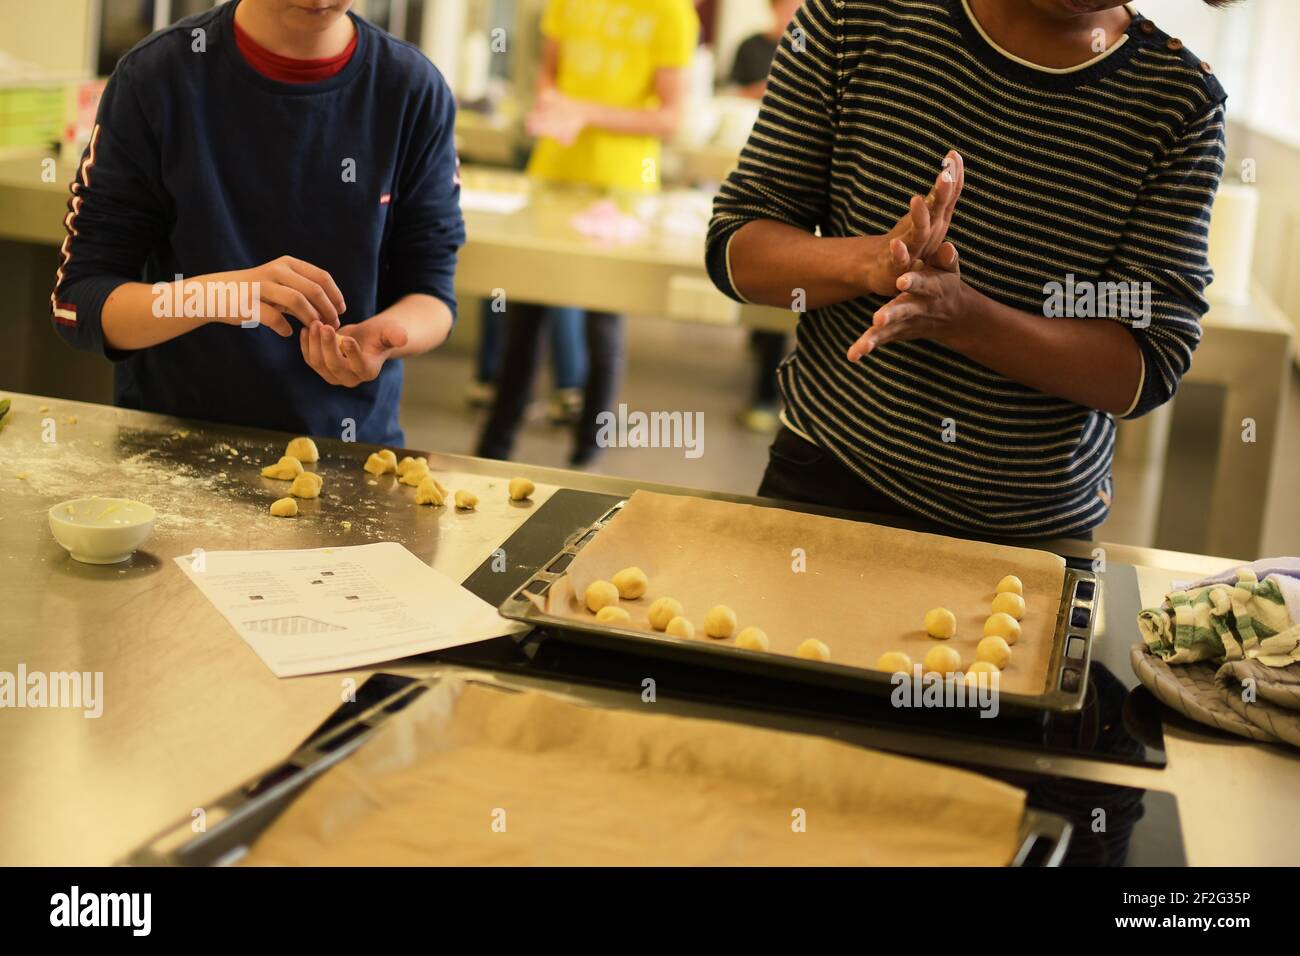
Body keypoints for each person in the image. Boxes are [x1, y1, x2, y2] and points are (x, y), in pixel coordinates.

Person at [708, 0, 1237, 539]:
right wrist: (869, 262)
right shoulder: (856, 16)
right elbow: (739, 247)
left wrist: (965, 319)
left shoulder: (1177, 100)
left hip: (1029, 535)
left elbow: (1146, 364)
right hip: (827, 478)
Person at [50, 0, 464, 446]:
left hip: (349, 453)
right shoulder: (156, 78)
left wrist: (383, 338)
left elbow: (432, 294)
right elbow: (78, 304)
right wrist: (216, 296)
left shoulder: (413, 89)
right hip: (174, 450)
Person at [476, 0, 699, 467]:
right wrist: (549, 102)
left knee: (603, 324)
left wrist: (584, 112)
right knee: (524, 314)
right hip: (552, 172)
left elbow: (671, 118)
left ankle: (587, 457)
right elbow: (548, 72)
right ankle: (493, 449)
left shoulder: (672, 13)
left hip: (621, 186)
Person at [727, 0, 805, 434]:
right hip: (756, 156)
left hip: (799, 173)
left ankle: (767, 389)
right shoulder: (751, 47)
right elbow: (729, 93)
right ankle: (762, 386)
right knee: (776, 267)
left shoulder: (817, 46)